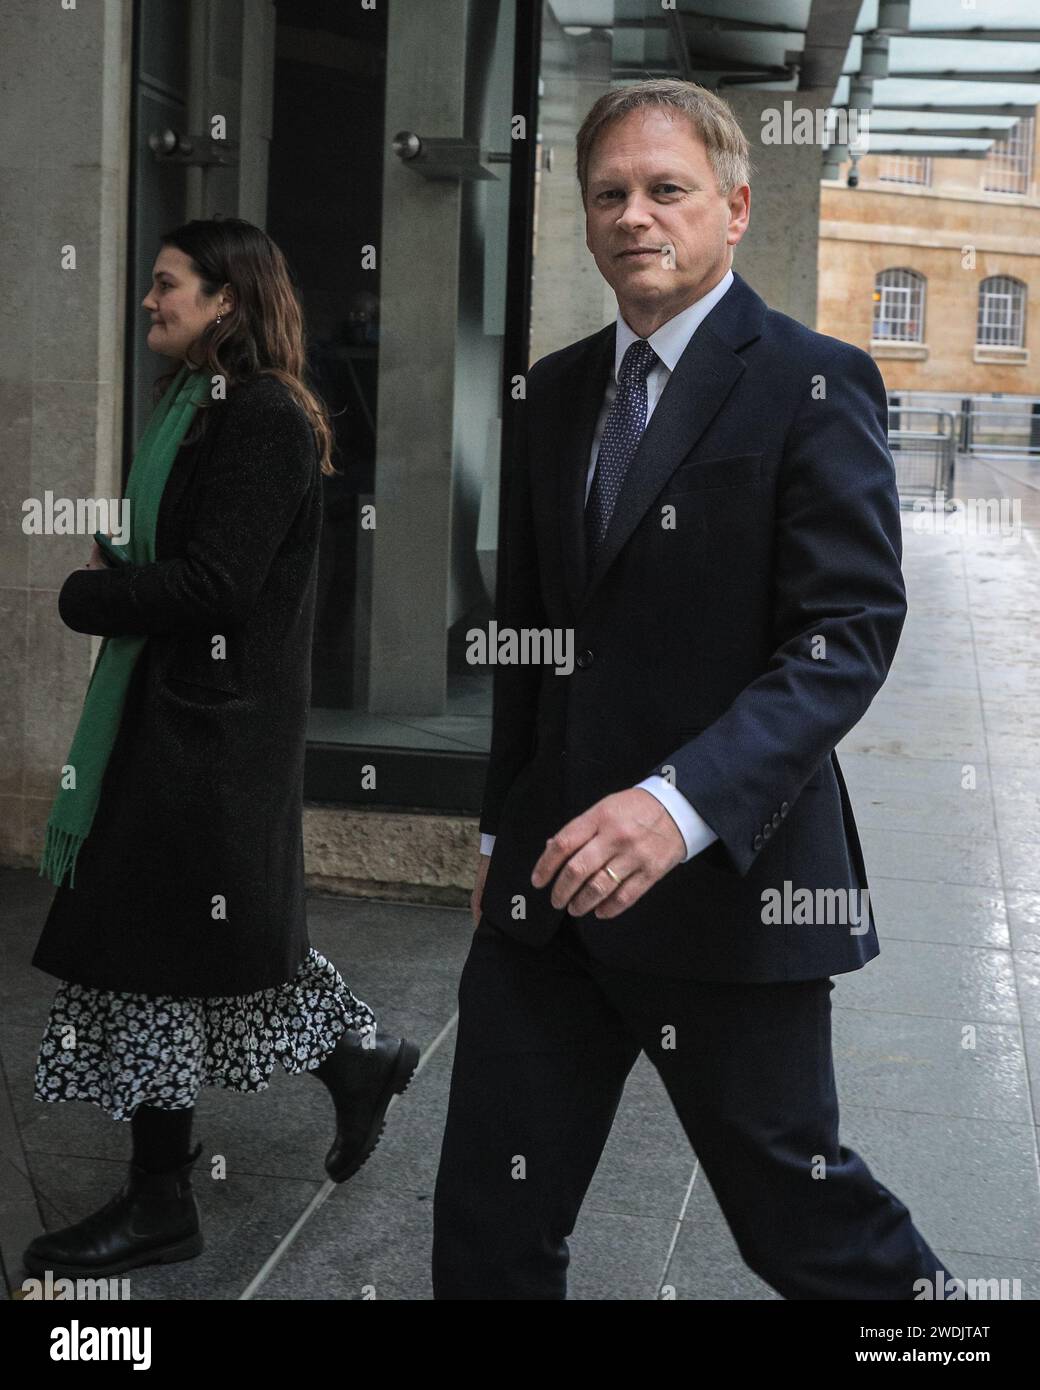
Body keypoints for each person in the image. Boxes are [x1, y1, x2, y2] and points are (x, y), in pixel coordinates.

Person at [432, 80, 957, 1299]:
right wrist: (498, 824)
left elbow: (844, 634)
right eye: (607, 193)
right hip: (550, 889)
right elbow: (537, 634)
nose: (633, 215)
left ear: (731, 206)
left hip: (736, 890)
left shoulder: (812, 381)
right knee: (486, 1228)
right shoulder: (555, 393)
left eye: (664, 189)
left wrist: (674, 805)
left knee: (802, 1223)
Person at [24, 217, 419, 1280]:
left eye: (166, 285)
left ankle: (161, 1201)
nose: (148, 300)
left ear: (224, 300)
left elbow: (217, 582)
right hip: (179, 718)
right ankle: (357, 1058)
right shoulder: (201, 404)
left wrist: (88, 593)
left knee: (156, 954)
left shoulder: (264, 417)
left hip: (210, 734)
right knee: (201, 948)